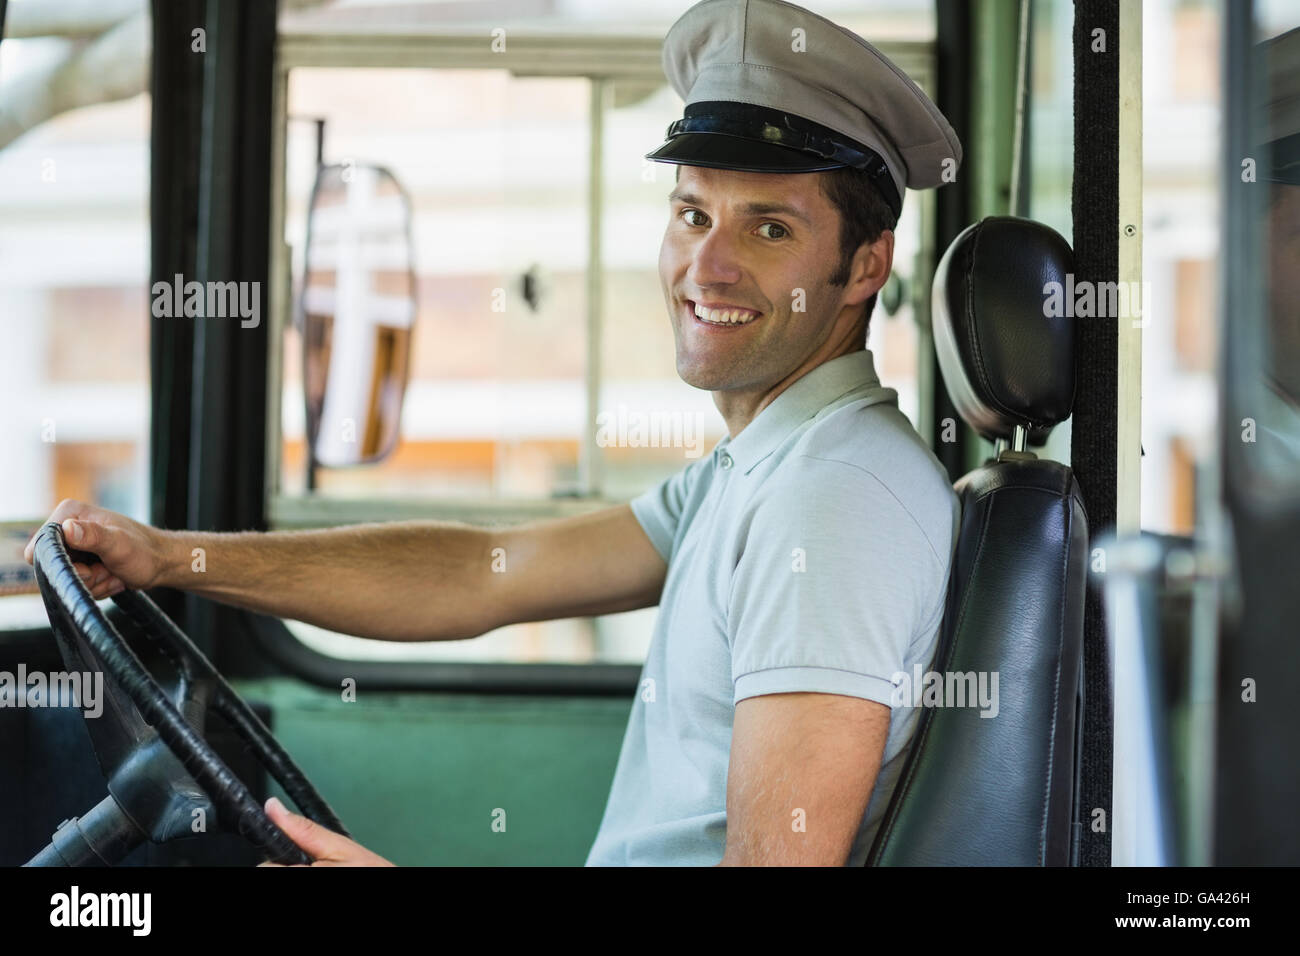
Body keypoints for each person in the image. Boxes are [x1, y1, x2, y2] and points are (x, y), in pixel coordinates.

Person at [25, 0, 962, 866]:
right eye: (692, 213)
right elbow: (482, 573)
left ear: (865, 263)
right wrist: (171, 558)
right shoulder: (763, 466)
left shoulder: (834, 502)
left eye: (767, 229)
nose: (705, 266)